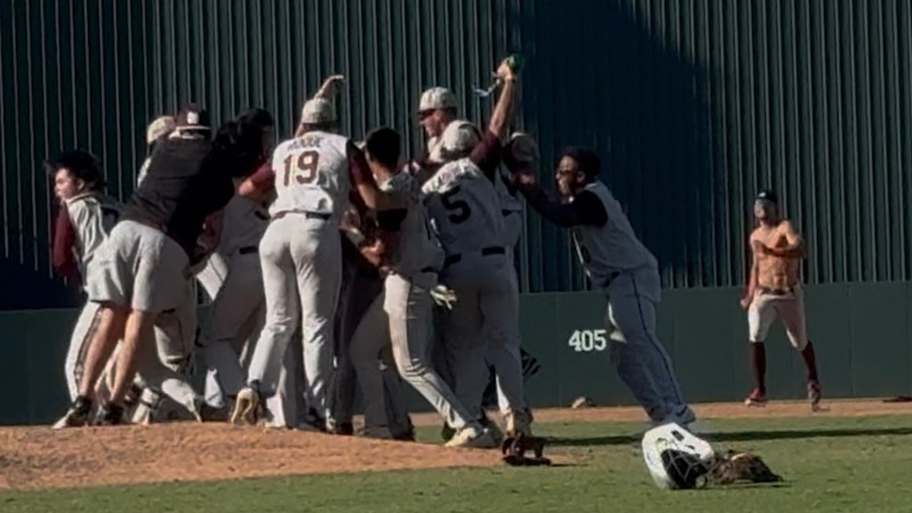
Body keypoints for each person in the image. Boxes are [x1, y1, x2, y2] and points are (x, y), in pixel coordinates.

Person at [53, 104, 261, 427]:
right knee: (139, 320)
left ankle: (83, 399)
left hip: (126, 229)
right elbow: (210, 231)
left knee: (111, 316)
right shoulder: (219, 173)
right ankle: (115, 406)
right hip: (166, 241)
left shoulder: (164, 149)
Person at [230, 77, 392, 429]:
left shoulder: (285, 148)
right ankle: (317, 409)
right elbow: (373, 199)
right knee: (316, 324)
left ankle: (255, 384)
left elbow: (246, 189)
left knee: (278, 320)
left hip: (275, 230)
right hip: (315, 229)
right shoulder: (341, 144)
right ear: (332, 123)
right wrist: (400, 200)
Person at [505, 144, 695, 427]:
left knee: (640, 337)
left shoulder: (593, 197)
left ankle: (677, 407)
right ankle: (660, 414)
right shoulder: (581, 199)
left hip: (630, 275)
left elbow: (560, 217)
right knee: (623, 358)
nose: (557, 176)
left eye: (563, 172)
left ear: (580, 176)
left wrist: (529, 190)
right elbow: (559, 209)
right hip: (617, 282)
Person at [348, 127, 495, 446]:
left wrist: (353, 234)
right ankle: (381, 425)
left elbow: (380, 253)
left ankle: (467, 424)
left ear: (371, 157)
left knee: (411, 365)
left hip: (409, 279)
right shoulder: (405, 181)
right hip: (408, 277)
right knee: (362, 348)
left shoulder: (394, 187)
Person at [418, 57, 530, 439]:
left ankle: (466, 421)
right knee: (505, 344)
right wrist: (510, 81)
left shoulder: (429, 185)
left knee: (464, 349)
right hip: (495, 264)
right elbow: (496, 129)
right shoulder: (477, 167)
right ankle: (516, 417)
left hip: (456, 268)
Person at [48, 150, 121, 401]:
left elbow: (60, 258)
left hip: (103, 289)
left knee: (77, 364)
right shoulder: (117, 205)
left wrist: (78, 280)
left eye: (61, 182)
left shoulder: (73, 205)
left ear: (80, 183)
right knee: (121, 362)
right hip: (135, 292)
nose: (56, 189)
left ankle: (84, 418)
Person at [740, 190, 821, 410]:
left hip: (788, 292)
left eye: (766, 204)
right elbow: (755, 267)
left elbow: (800, 249)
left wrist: (772, 251)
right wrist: (749, 294)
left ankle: (813, 379)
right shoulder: (755, 236)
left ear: (775, 207)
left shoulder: (784, 227)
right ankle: (760, 390)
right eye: (758, 204)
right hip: (763, 293)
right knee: (755, 334)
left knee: (799, 341)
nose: (761, 208)